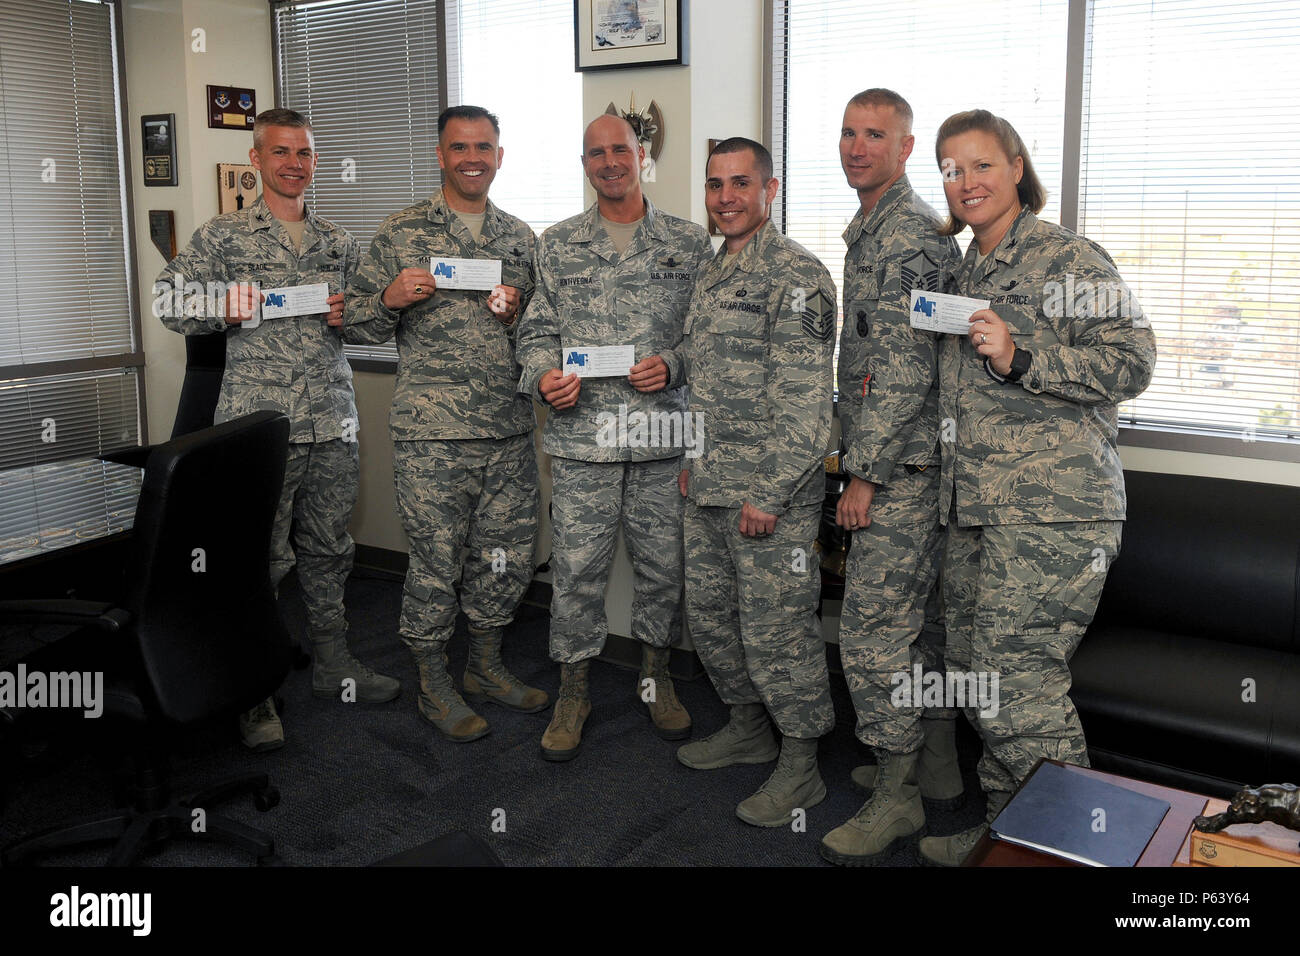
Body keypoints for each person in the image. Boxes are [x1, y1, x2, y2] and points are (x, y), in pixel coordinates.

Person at [919, 109, 1156, 865]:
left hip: (1054, 514)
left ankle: (1066, 852)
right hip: (974, 512)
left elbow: (1134, 360)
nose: (966, 182)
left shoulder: (1066, 259)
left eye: (981, 164)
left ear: (1017, 168)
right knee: (979, 679)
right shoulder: (962, 272)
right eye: (951, 169)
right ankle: (1010, 835)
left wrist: (1024, 356)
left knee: (1016, 687)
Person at [156, 108, 400, 752]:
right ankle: (251, 688)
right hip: (257, 426)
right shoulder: (225, 236)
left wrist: (357, 314)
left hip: (331, 420)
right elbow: (166, 303)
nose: (295, 164)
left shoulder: (337, 242)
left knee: (329, 548)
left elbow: (376, 326)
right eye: (282, 152)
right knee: (256, 558)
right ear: (257, 160)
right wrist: (219, 304)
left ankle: (333, 662)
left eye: (305, 153)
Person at [344, 106, 546, 743]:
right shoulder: (401, 232)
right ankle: (434, 680)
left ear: (499, 155)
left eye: (483, 146)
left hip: (508, 430)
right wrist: (387, 299)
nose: (472, 158)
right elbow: (352, 324)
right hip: (432, 435)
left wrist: (518, 313)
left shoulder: (519, 238)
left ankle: (484, 666)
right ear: (440, 154)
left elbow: (544, 330)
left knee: (505, 559)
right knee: (435, 563)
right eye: (459, 146)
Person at [516, 114, 711, 761]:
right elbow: (535, 333)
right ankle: (574, 689)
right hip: (582, 443)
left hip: (660, 439)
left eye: (619, 150)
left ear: (641, 155)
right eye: (595, 153)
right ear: (584, 162)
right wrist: (544, 376)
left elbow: (705, 341)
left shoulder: (687, 243)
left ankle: (656, 679)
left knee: (663, 571)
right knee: (576, 573)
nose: (609, 161)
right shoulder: (557, 244)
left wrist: (675, 365)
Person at [818, 89, 964, 866]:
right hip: (909, 459)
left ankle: (899, 796)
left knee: (872, 637)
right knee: (917, 631)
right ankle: (930, 769)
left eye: (875, 135)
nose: (855, 146)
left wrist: (863, 475)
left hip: (900, 467)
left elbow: (904, 369)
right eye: (847, 133)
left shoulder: (904, 234)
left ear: (906, 148)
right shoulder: (874, 227)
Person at [675, 137, 837, 827]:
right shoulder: (715, 272)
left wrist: (768, 495)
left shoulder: (797, 275)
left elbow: (806, 407)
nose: (726, 197)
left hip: (769, 497)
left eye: (741, 183)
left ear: (769, 191)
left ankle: (801, 767)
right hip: (709, 484)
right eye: (715, 185)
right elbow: (708, 370)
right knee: (713, 621)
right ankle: (747, 728)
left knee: (777, 633)